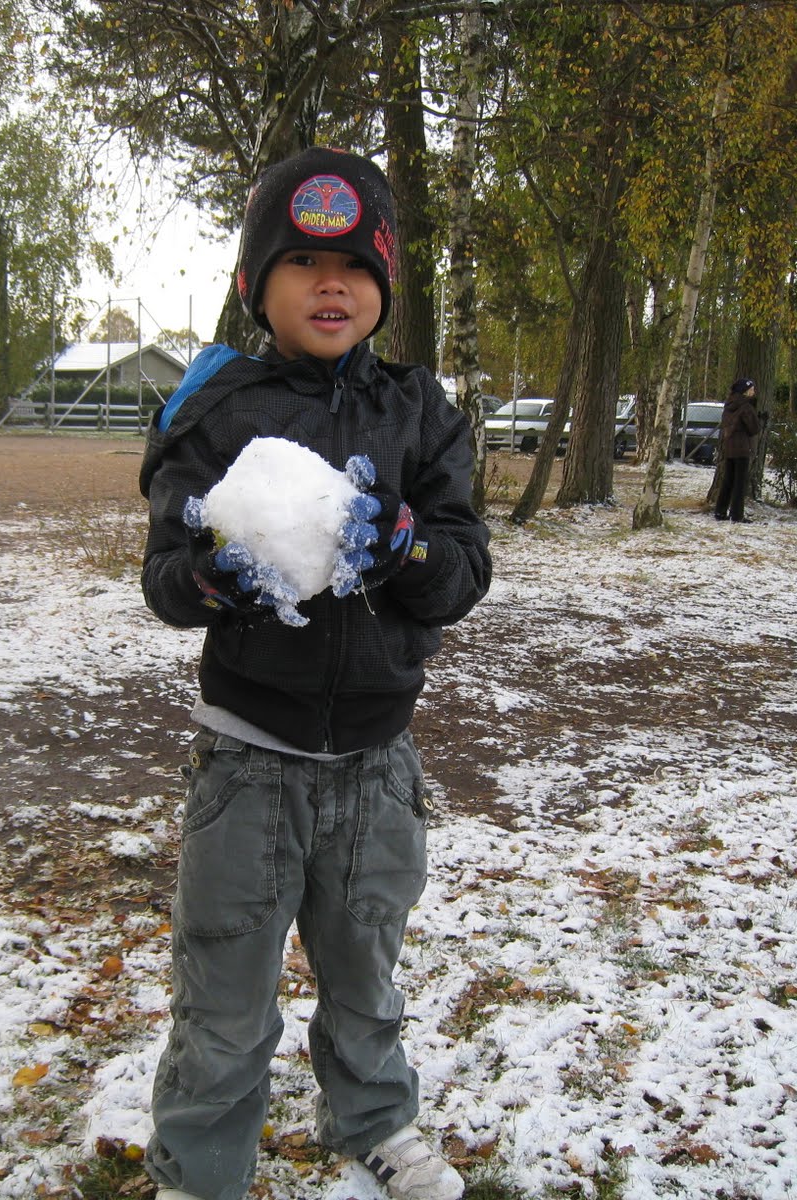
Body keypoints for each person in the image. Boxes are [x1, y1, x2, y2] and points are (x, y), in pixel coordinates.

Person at [138, 148, 492, 1200]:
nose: (328, 283)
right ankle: (199, 1171)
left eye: (352, 263)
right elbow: (163, 581)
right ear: (257, 286)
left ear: (383, 286)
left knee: (365, 975)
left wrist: (408, 550)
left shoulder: (419, 412)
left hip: (377, 767)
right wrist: (216, 576)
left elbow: (464, 567)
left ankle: (375, 1122)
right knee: (224, 993)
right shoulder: (219, 410)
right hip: (248, 765)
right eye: (298, 261)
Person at [713, 377, 763, 522]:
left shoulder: (729, 405)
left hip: (729, 447)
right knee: (740, 483)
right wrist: (758, 417)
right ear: (745, 391)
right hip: (742, 447)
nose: (754, 392)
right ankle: (737, 514)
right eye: (752, 389)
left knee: (728, 480)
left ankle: (720, 511)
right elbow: (754, 428)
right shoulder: (746, 406)